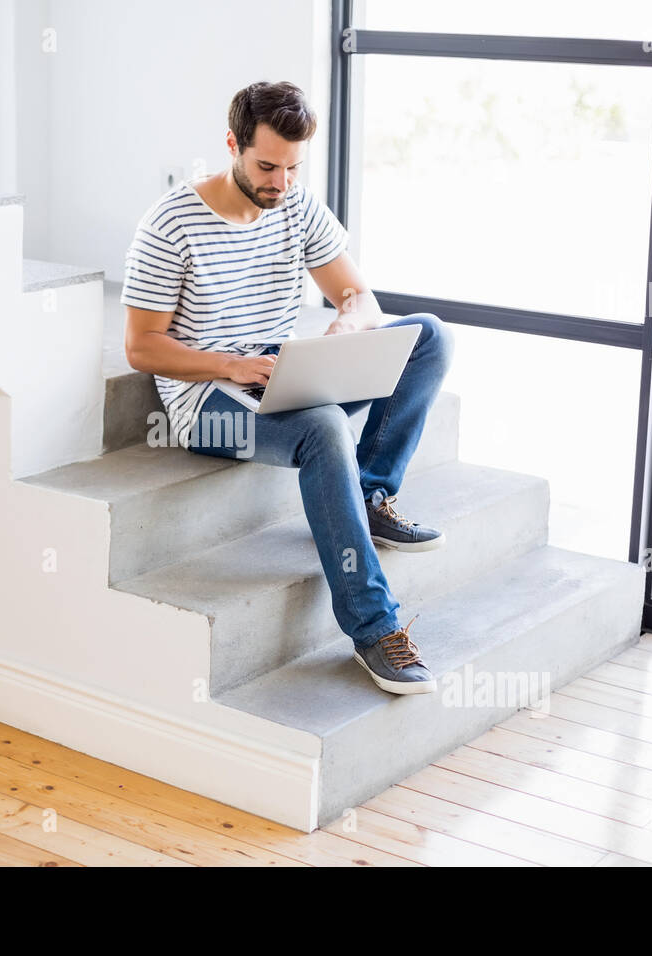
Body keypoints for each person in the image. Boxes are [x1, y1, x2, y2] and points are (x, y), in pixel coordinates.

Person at [120, 81, 454, 695]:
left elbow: (357, 294)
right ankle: (375, 628)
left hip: (283, 371)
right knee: (325, 427)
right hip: (206, 404)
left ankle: (371, 496)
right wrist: (229, 366)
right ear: (233, 146)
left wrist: (350, 322)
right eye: (266, 166)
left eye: (293, 168)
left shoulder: (296, 205)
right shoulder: (172, 223)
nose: (280, 182)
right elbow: (142, 348)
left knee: (428, 336)